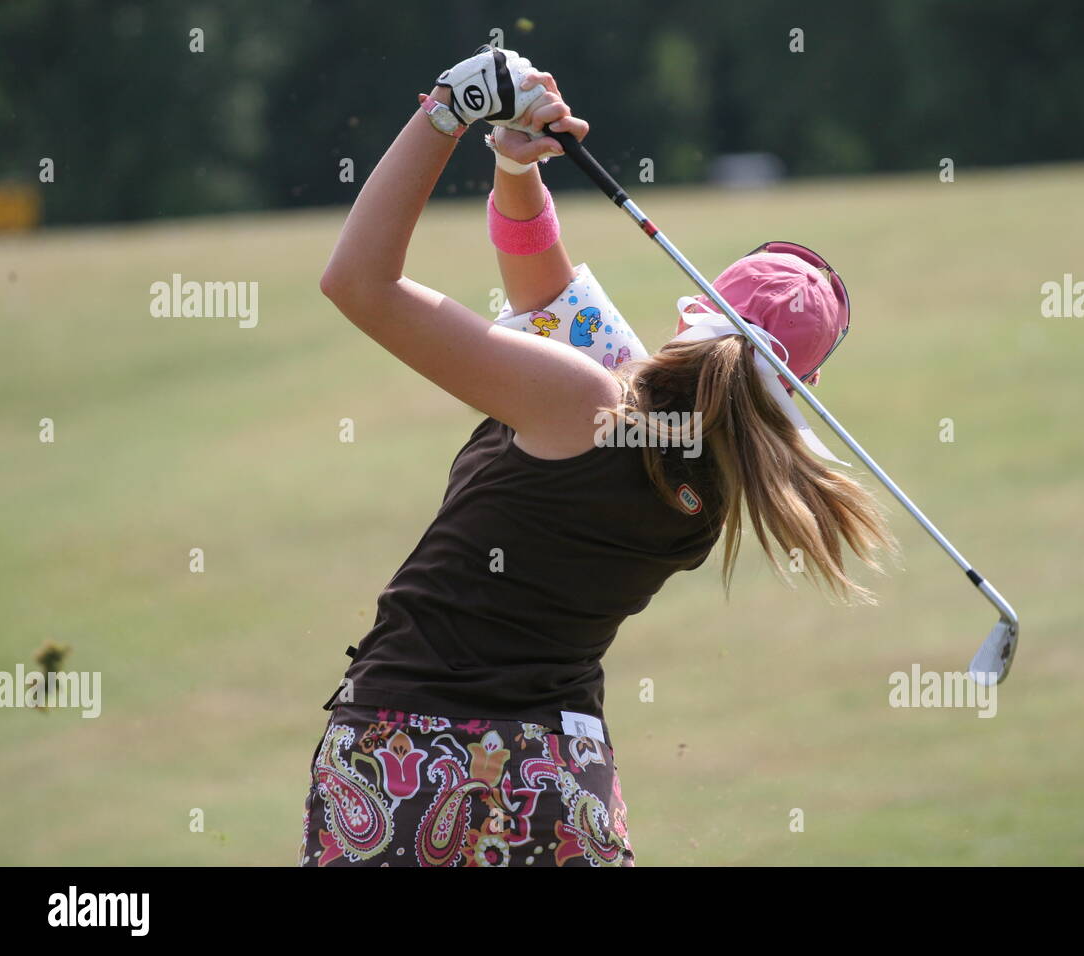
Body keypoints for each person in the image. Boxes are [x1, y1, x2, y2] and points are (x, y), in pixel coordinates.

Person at [299, 46, 895, 867]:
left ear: (697, 313)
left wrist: (447, 110)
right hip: (563, 780)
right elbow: (547, 300)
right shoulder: (712, 477)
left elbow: (359, 284)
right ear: (803, 388)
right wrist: (516, 169)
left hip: (410, 758)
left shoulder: (585, 401)